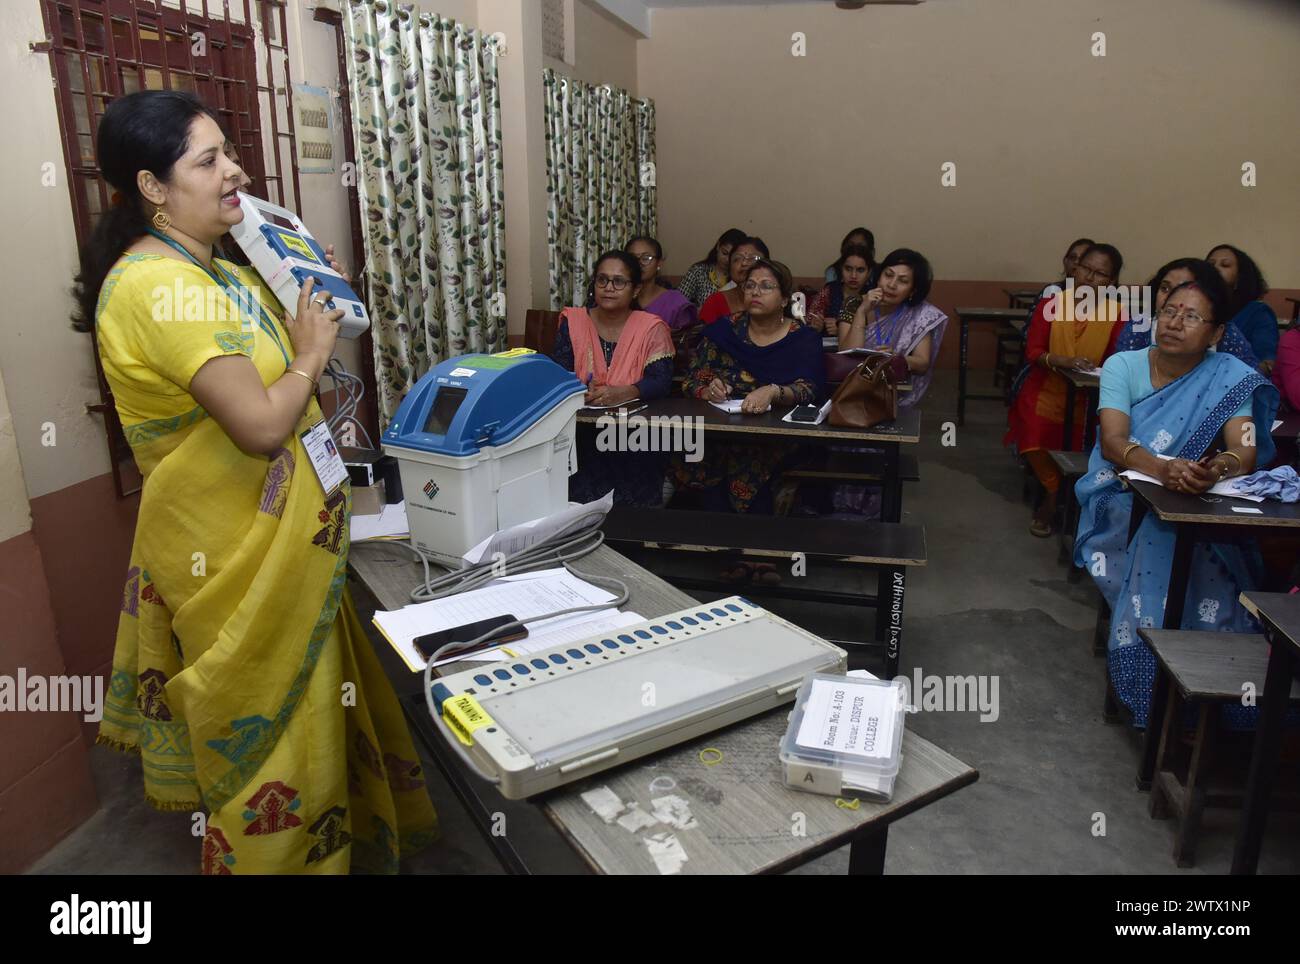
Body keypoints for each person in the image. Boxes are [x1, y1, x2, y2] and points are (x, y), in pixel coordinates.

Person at [78, 90, 436, 873]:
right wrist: (308, 351)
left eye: (227, 151)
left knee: (314, 736)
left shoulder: (221, 275)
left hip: (287, 547)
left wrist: (314, 296)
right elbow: (262, 424)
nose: (234, 170)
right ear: (152, 187)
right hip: (231, 564)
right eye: (207, 160)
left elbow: (283, 370)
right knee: (272, 754)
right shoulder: (152, 288)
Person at [1073, 276, 1279, 728]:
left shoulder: (1229, 377)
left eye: (1192, 317)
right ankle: (1149, 678)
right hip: (1122, 492)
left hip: (1193, 493)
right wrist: (1163, 469)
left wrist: (1213, 470)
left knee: (1199, 536)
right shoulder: (1122, 366)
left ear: (1217, 333)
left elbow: (1242, 451)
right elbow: (1112, 442)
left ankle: (1214, 684)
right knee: (1159, 531)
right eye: (1169, 311)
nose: (1174, 323)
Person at [673, 259, 824, 516]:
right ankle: (715, 541)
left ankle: (755, 545)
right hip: (720, 429)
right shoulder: (725, 331)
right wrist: (709, 389)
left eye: (766, 286)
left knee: (750, 457)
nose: (755, 291)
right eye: (750, 285)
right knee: (696, 449)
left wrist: (774, 391)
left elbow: (810, 389)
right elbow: (691, 381)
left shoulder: (802, 338)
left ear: (785, 299)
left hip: (777, 435)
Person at [1005, 242, 1127, 537]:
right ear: (1075, 268)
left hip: (1089, 398)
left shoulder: (1118, 314)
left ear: (1111, 281)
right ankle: (1055, 491)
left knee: (1082, 448)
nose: (1090, 277)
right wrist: (1060, 360)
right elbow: (1033, 351)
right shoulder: (1051, 305)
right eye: (1086, 268)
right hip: (1045, 387)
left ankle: (1057, 498)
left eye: (1100, 274)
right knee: (1034, 440)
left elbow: (1116, 361)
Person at [550, 250, 675, 505]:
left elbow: (661, 381)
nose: (609, 288)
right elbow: (559, 374)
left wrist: (625, 391)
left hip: (636, 431)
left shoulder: (651, 327)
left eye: (619, 281)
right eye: (602, 280)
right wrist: (579, 390)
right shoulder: (573, 321)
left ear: (636, 289)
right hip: (580, 429)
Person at [836, 248, 948, 408]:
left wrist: (896, 358)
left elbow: (922, 363)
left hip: (894, 393)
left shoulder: (920, 314)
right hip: (851, 389)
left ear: (913, 290)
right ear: (878, 276)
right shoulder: (854, 303)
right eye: (888, 275)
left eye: (903, 281)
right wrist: (862, 311)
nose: (892, 285)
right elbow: (846, 354)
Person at [1114, 258, 1258, 367]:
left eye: (1184, 288)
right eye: (1164, 288)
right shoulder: (1140, 324)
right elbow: (1121, 374)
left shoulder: (1225, 333)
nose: (1170, 297)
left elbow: (1250, 382)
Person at [1207, 244, 1278, 374]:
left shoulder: (1258, 312)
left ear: (1239, 277)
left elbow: (1267, 365)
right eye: (1210, 264)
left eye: (1225, 265)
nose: (1215, 268)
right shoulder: (1197, 309)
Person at [625, 236, 697, 335]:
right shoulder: (618, 297)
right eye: (633, 258)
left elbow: (684, 342)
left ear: (659, 263)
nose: (639, 263)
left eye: (646, 258)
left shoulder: (675, 301)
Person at [807, 243, 874, 339]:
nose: (853, 276)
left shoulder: (872, 296)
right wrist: (817, 326)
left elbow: (878, 334)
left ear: (869, 272)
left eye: (860, 270)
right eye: (848, 269)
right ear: (841, 268)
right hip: (827, 349)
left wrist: (842, 331)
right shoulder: (829, 290)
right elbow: (809, 322)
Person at [698, 237, 770, 324]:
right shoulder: (715, 301)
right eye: (737, 259)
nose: (744, 263)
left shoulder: (776, 300)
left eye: (752, 258)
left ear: (767, 265)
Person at [677, 227, 746, 306]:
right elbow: (678, 302)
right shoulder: (699, 271)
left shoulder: (740, 278)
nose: (727, 260)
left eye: (732, 257)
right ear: (718, 246)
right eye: (724, 253)